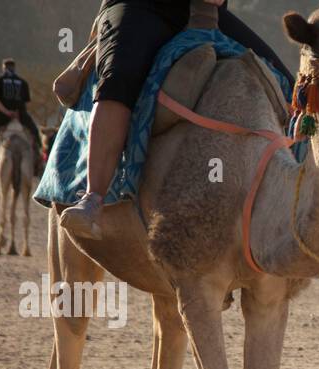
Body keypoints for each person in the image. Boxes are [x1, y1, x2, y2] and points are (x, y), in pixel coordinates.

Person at [59, 0, 293, 240]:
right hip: (141, 6)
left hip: (205, 10)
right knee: (119, 77)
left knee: (287, 87)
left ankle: (296, 208)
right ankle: (92, 198)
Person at [0, 58, 42, 174]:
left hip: (3, 116)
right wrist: (18, 113)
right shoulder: (22, 81)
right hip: (21, 115)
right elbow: (26, 102)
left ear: (4, 67)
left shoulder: (0, 80)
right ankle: (39, 164)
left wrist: (6, 111)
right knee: (35, 134)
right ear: (14, 68)